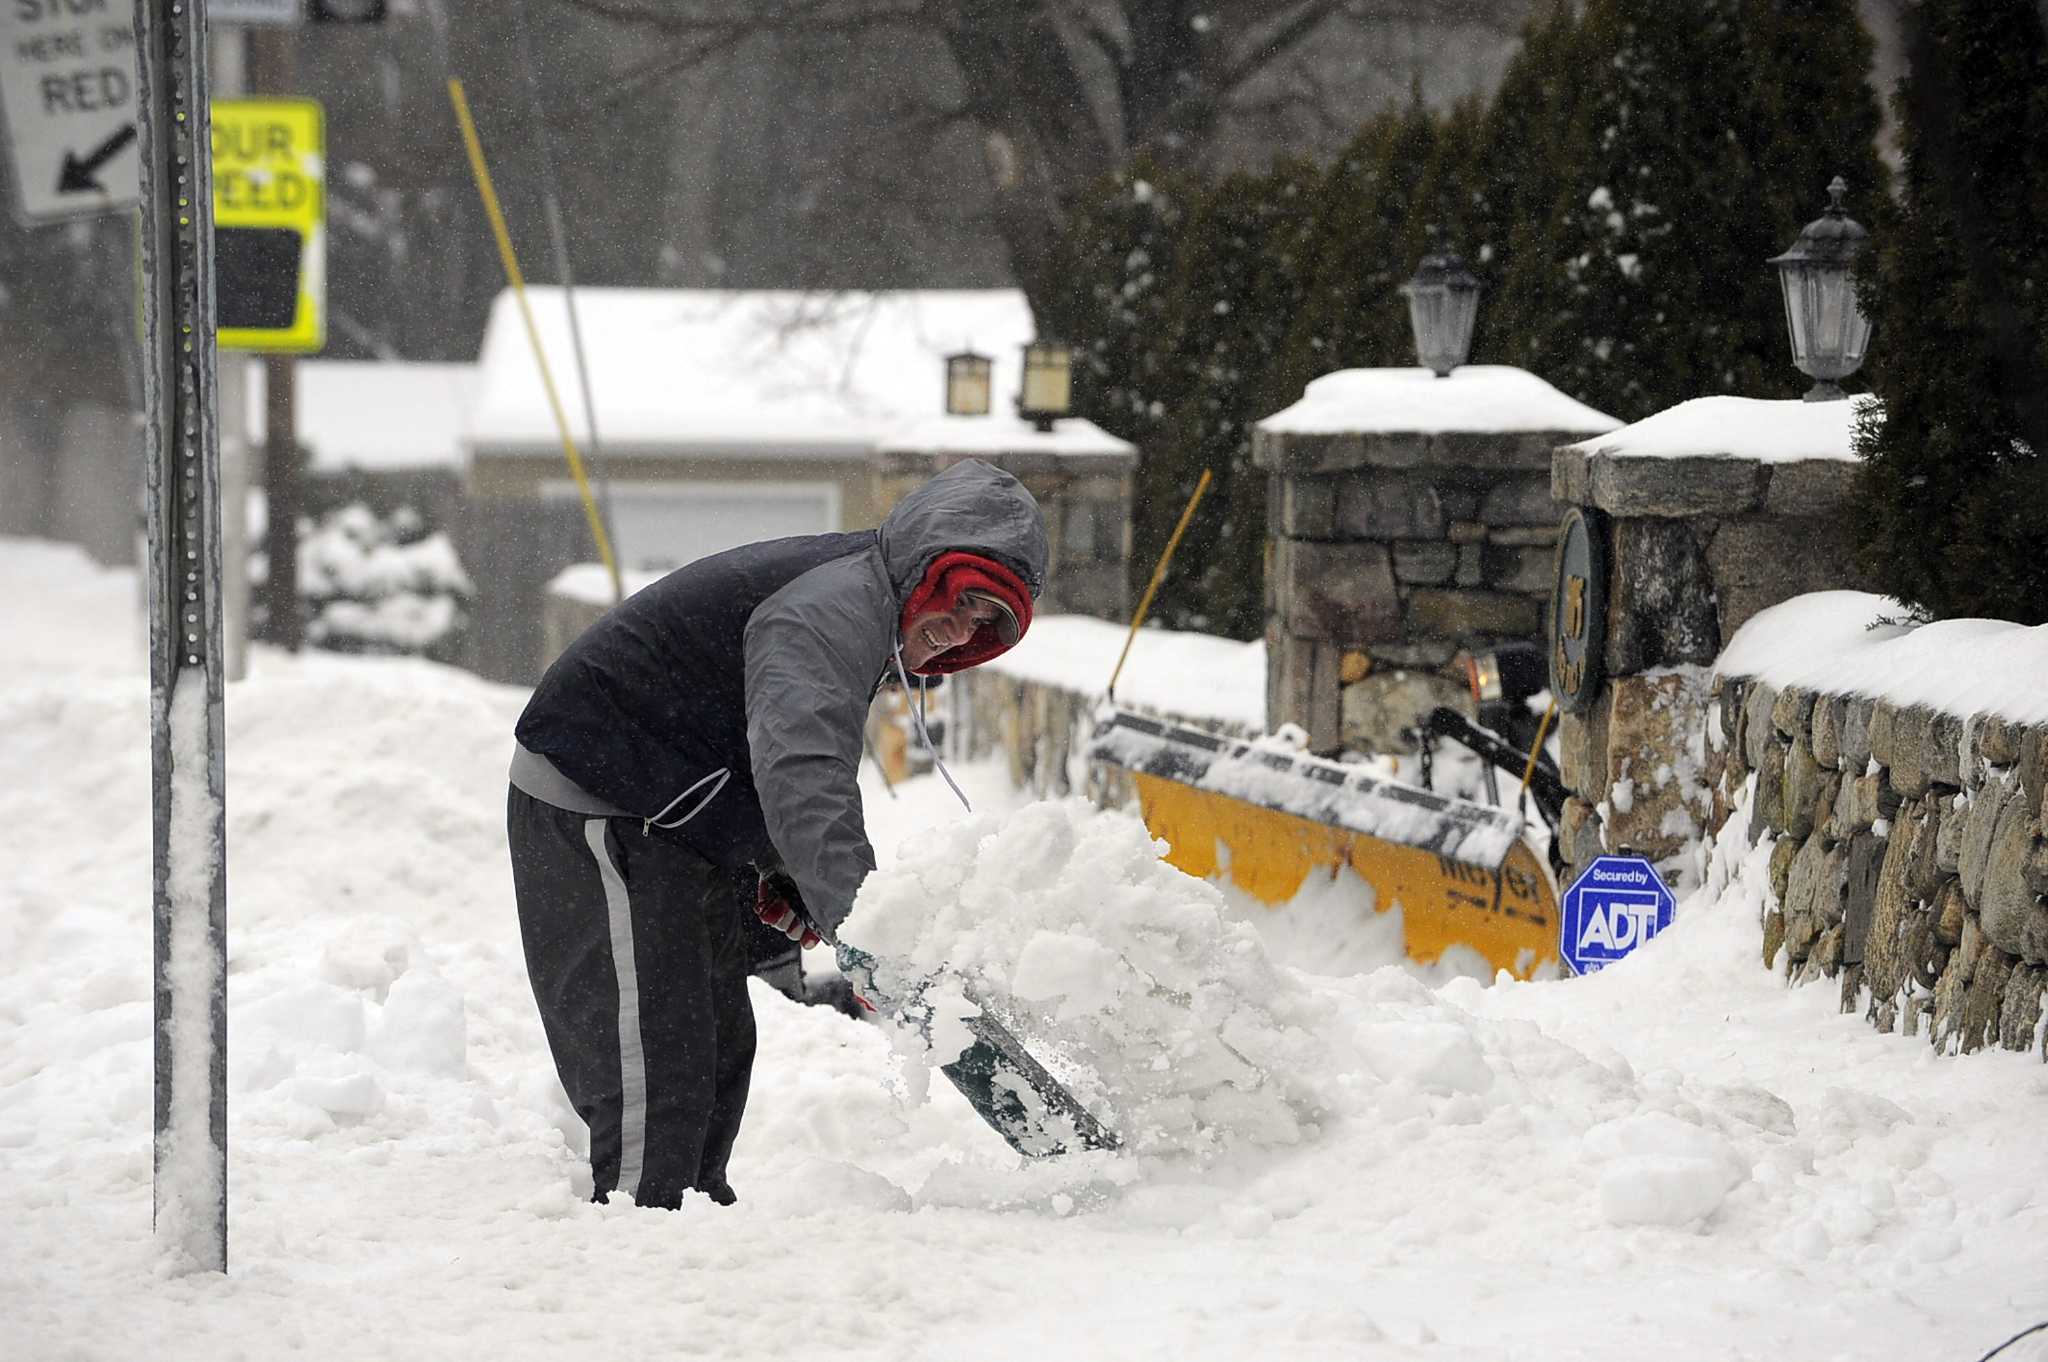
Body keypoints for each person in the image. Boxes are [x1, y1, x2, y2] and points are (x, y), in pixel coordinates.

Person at [506, 458, 1047, 1208]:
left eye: (991, 622)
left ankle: (690, 1231)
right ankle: (632, 1253)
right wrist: (870, 928)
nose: (964, 629)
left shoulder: (861, 600)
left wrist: (775, 864)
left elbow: (763, 746)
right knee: (656, 1077)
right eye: (962, 601)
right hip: (599, 801)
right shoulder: (832, 608)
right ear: (925, 571)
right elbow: (803, 776)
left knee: (714, 1053)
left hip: (672, 808)